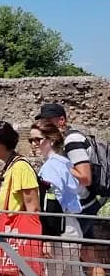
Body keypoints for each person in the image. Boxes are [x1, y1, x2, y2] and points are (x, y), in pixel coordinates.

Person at [35, 103, 106, 275]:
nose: (46, 125)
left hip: (80, 208)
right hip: (86, 205)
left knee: (60, 261)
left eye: (49, 121)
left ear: (61, 121)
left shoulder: (72, 140)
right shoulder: (67, 140)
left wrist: (59, 166)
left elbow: (85, 176)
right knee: (87, 256)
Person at [30, 119, 83, 276]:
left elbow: (52, 203)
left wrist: (47, 238)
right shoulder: (64, 162)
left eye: (38, 140)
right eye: (31, 140)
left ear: (51, 140)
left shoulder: (50, 166)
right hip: (72, 226)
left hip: (59, 231)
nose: (34, 144)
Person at [0, 120, 41, 214]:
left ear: (5, 142)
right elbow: (6, 201)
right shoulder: (10, 166)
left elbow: (33, 209)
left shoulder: (20, 168)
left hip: (18, 227)